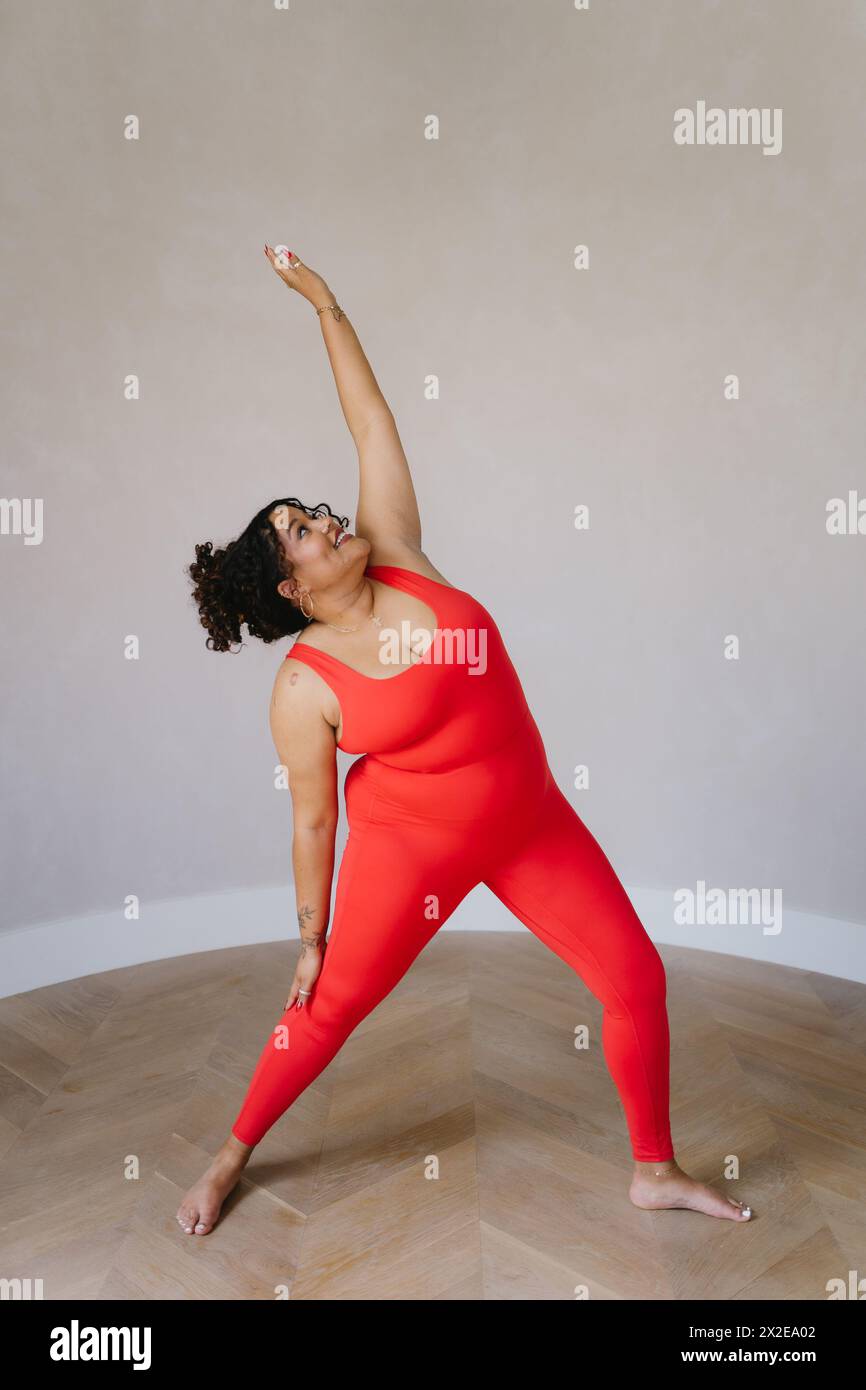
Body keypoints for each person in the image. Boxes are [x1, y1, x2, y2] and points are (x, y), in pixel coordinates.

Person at [177, 245, 752, 1238]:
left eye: (310, 509)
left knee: (635, 976)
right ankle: (228, 1156)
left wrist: (327, 305)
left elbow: (369, 421)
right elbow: (313, 818)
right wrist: (310, 938)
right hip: (412, 845)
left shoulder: (395, 550)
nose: (320, 516)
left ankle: (652, 1167)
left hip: (528, 820)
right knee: (328, 1010)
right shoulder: (305, 684)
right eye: (300, 531)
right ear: (288, 587)